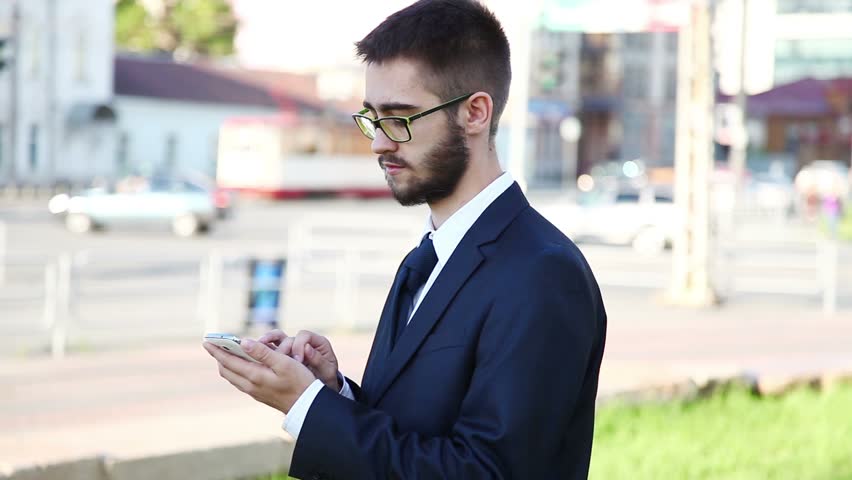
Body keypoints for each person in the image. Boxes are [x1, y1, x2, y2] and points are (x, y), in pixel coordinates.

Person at [203, 1, 607, 478]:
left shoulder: (542, 273)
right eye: (373, 117)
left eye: (401, 117)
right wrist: (335, 393)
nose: (379, 142)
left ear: (475, 113)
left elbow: (487, 472)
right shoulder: (431, 255)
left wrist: (307, 407)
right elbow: (415, 431)